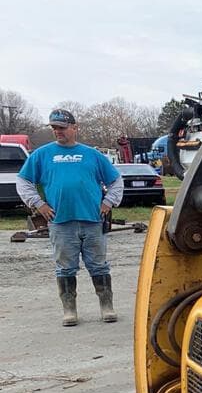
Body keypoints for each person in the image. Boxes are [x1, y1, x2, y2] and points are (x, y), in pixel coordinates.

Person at [16, 109, 124, 326]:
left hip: (92, 220)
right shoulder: (42, 155)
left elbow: (116, 181)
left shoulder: (92, 155)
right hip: (61, 222)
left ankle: (106, 306)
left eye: (62, 128)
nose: (57, 132)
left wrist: (108, 202)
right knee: (65, 267)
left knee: (99, 266)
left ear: (74, 128)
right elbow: (23, 181)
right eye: (54, 128)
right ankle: (70, 310)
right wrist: (39, 204)